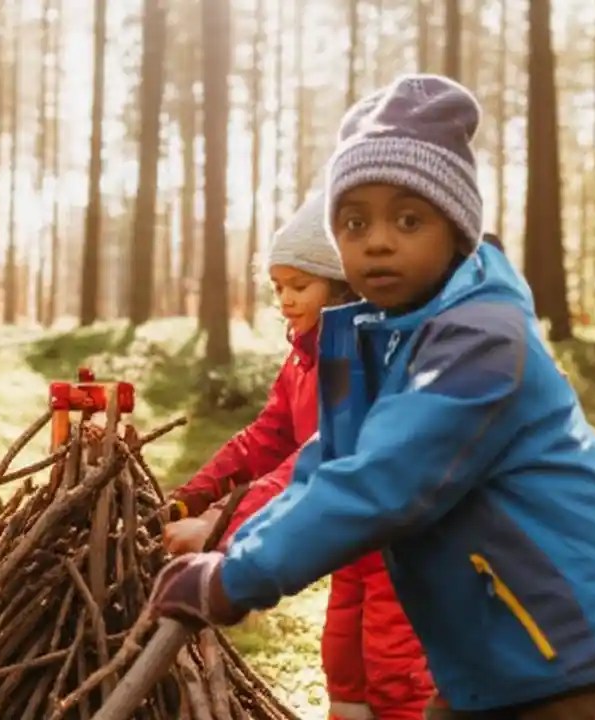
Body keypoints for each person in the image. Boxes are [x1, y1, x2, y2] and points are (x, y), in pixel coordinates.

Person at [147, 75, 595, 719]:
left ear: (456, 229)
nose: (379, 240)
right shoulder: (378, 339)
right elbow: (321, 467)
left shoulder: (480, 340)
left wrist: (232, 582)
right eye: (354, 220)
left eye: (408, 218)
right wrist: (230, 550)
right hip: (492, 647)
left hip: (567, 644)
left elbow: (380, 485)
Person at [162, 189, 434, 719]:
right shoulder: (302, 362)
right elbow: (265, 439)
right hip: (351, 538)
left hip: (400, 542)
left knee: (396, 663)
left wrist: (227, 526)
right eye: (277, 287)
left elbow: (324, 458)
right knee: (343, 654)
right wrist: (192, 497)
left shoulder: (366, 358)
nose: (285, 300)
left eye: (299, 286)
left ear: (341, 289)